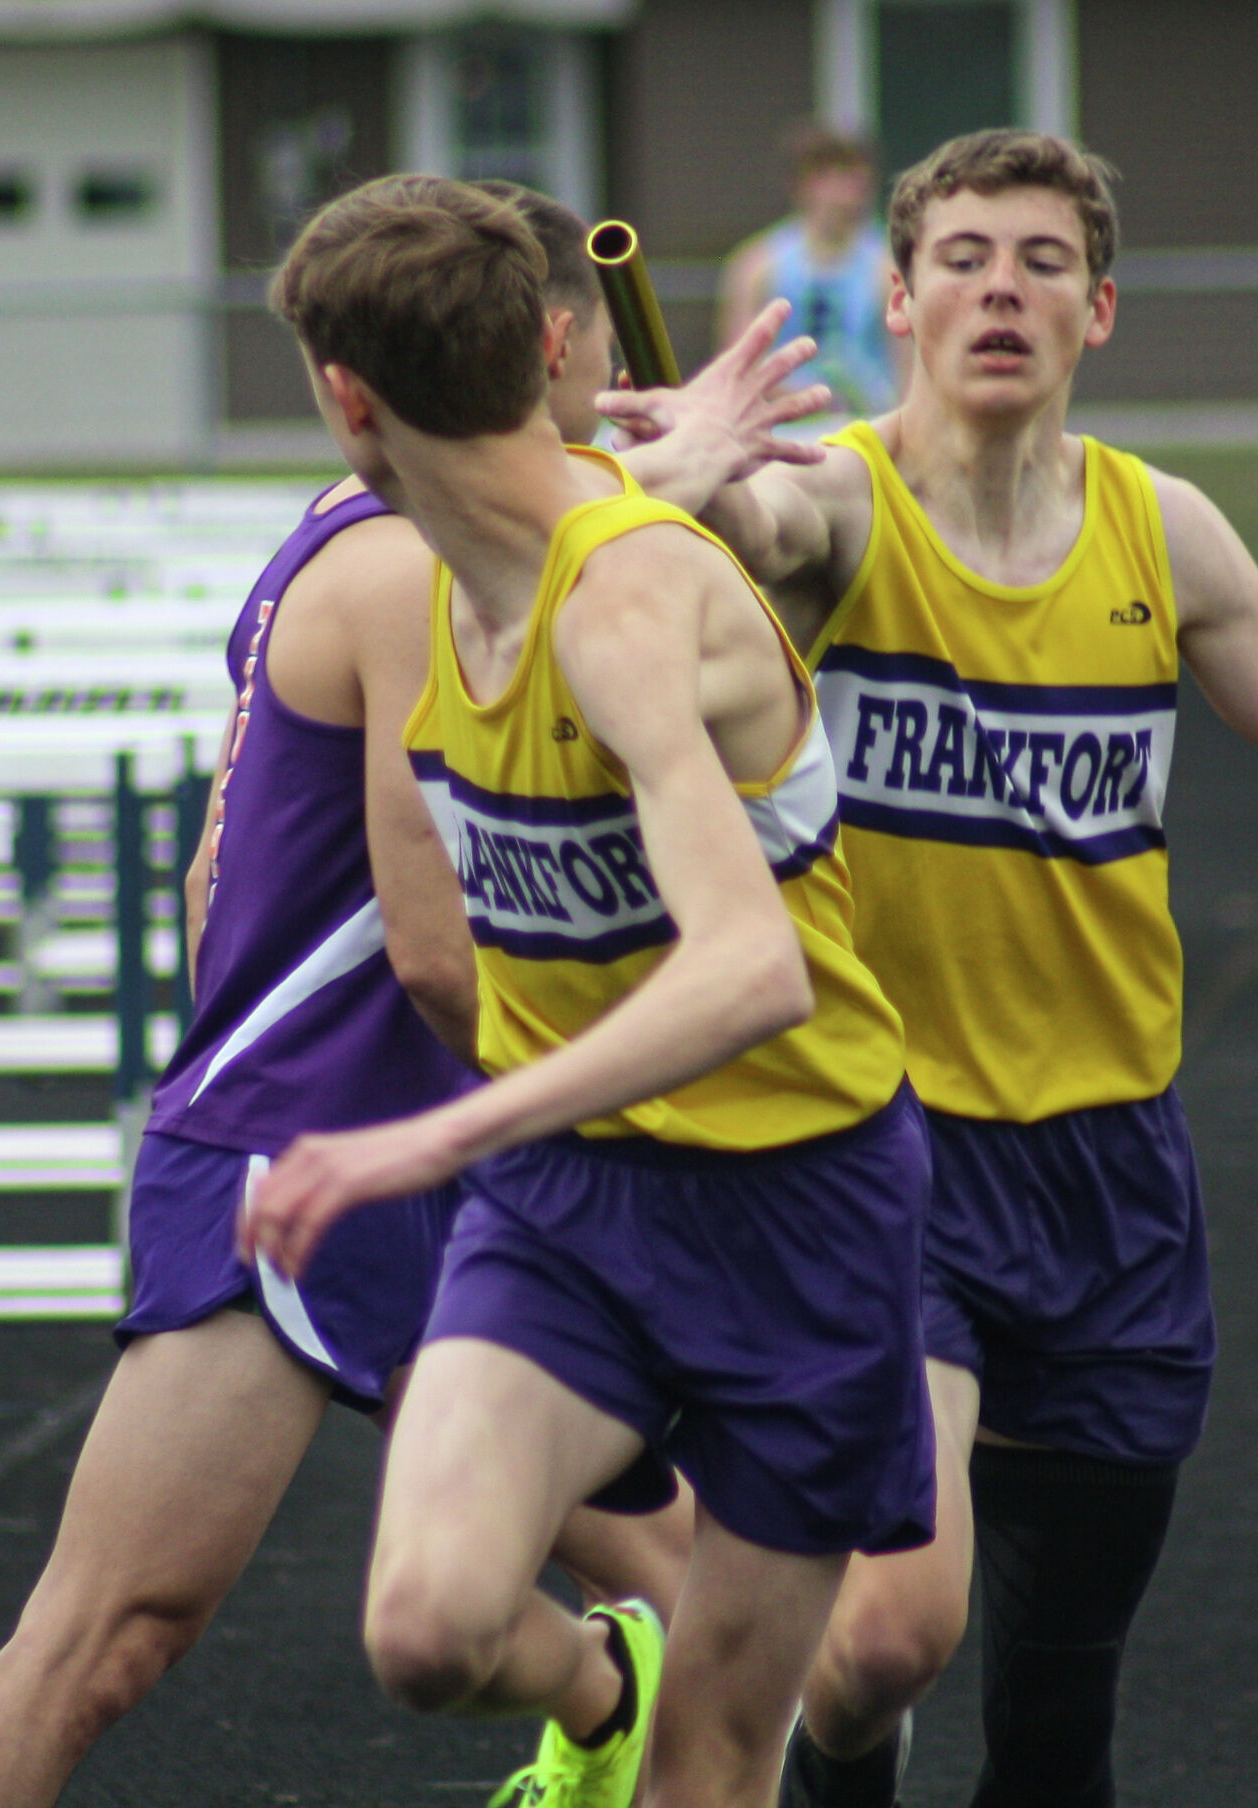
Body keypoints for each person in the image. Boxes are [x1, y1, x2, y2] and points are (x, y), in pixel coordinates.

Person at [0, 179, 828, 1808]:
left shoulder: (415, 533)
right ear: (548, 348)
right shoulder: (409, 572)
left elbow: (209, 880)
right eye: (596, 353)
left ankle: (606, 1698)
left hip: (424, 1152)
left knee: (712, 1607)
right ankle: (607, 1699)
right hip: (319, 1151)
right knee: (106, 1631)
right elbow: (435, 949)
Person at [605, 127, 1258, 1808]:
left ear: (1100, 309)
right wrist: (689, 465)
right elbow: (747, 513)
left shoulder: (1164, 534)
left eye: (1041, 262)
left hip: (1107, 1167)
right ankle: (838, 1765)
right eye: (964, 260)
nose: (1001, 288)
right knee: (878, 1643)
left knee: (1059, 1724)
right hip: (884, 1149)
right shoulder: (844, 506)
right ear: (901, 298)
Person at [243, 174, 935, 1808]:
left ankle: (669, 1712)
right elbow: (588, 483)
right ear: (554, 342)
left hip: (798, 1203)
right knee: (426, 1626)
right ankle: (603, 1673)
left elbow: (750, 968)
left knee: (714, 1769)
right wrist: (665, 457)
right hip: (571, 1201)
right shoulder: (449, 564)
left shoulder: (623, 605)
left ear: (347, 400)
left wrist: (420, 1140)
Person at [718, 125, 899, 422]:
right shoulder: (758, 265)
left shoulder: (888, 266)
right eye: (835, 177)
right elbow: (735, 371)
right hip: (781, 427)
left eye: (857, 177)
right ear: (804, 185)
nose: (851, 193)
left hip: (869, 427)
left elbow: (909, 368)